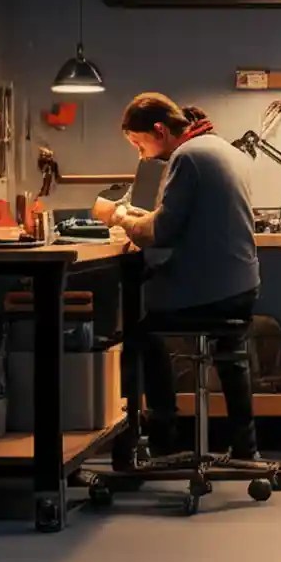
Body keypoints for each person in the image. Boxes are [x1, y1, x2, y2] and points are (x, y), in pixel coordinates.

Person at [97, 93, 262, 463]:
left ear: (159, 129)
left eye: (140, 144)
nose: (141, 154)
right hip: (241, 288)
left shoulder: (187, 157)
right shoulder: (225, 149)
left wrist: (122, 217)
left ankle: (161, 437)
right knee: (228, 350)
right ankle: (245, 446)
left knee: (137, 328)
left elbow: (161, 231)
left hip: (210, 292)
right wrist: (149, 218)